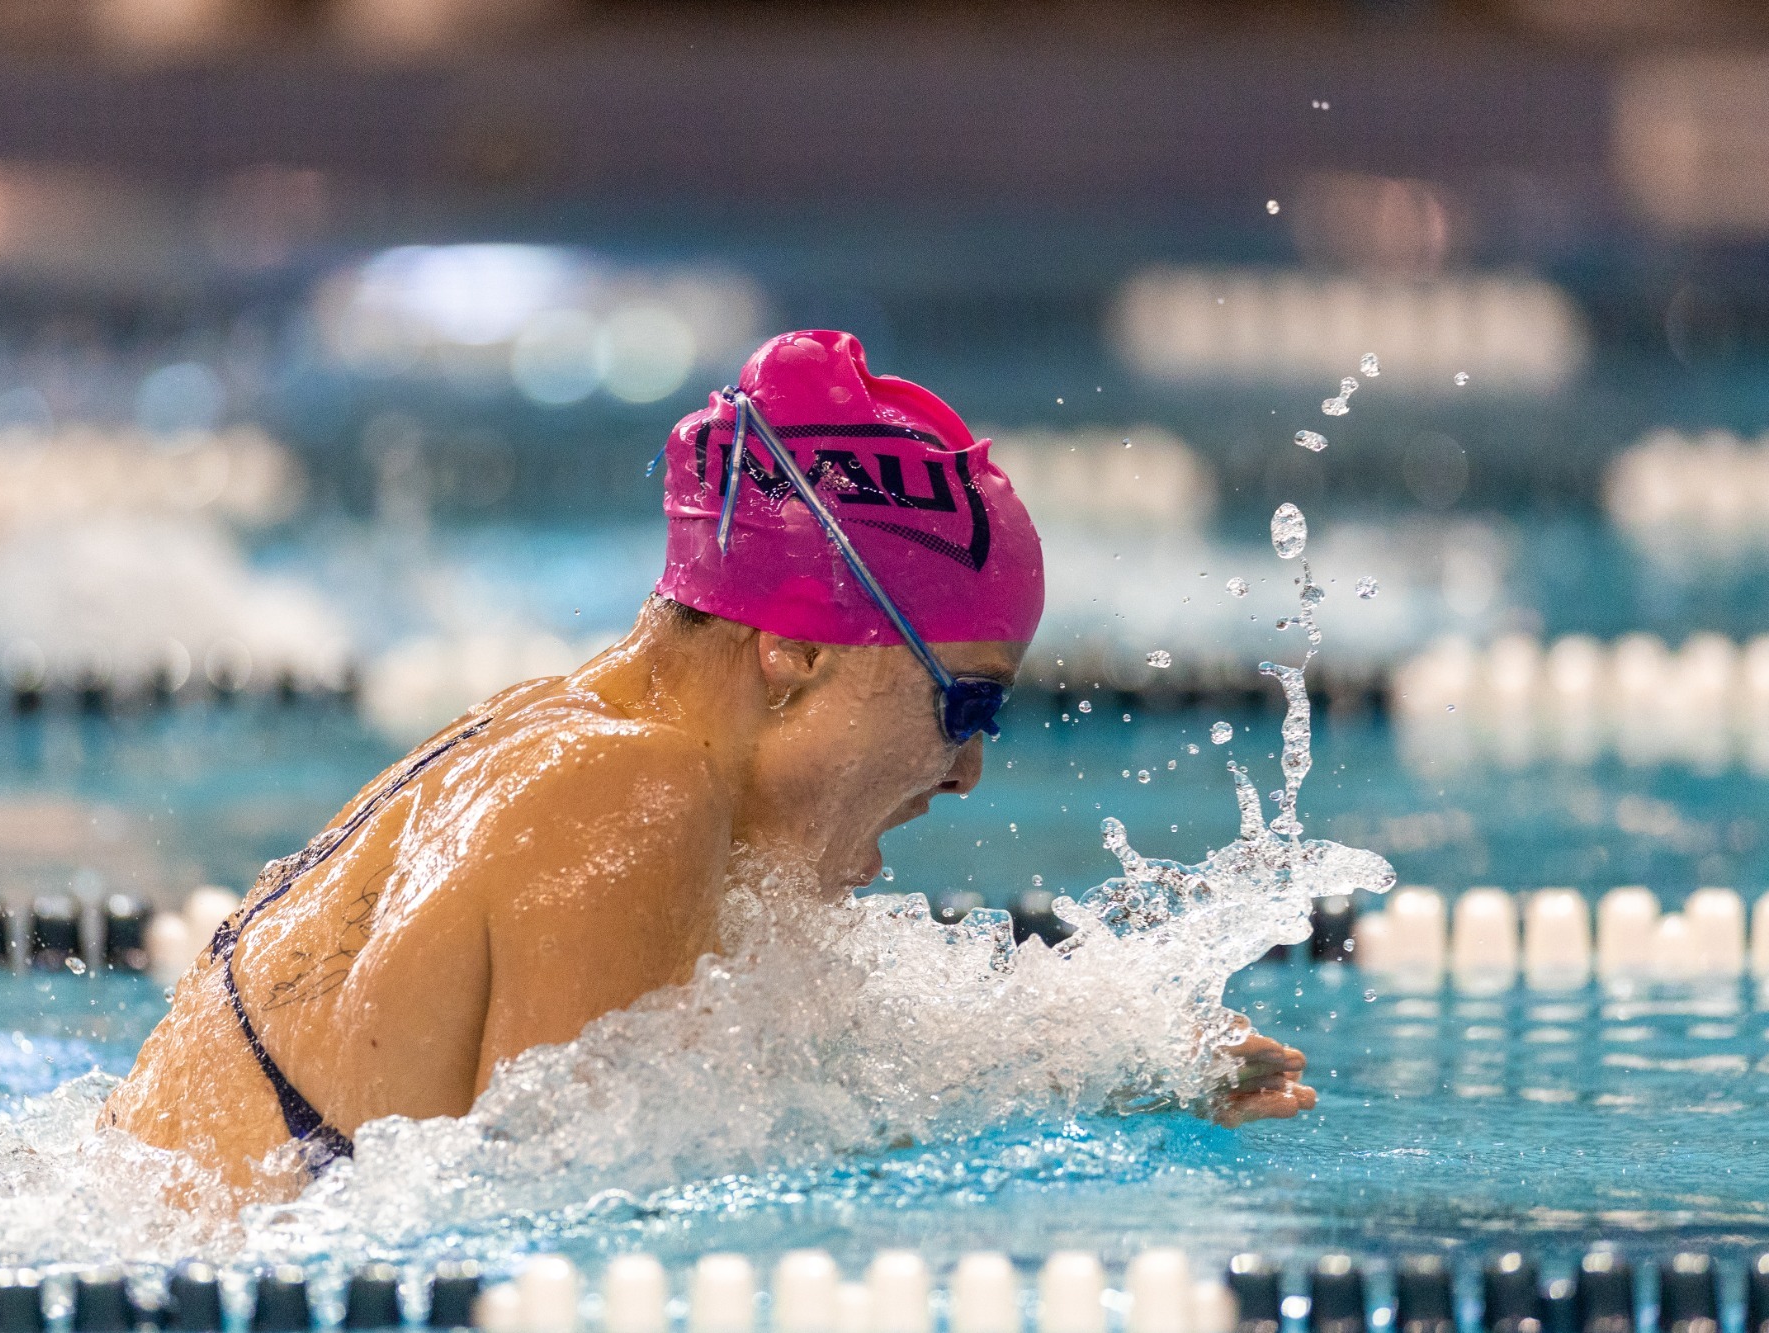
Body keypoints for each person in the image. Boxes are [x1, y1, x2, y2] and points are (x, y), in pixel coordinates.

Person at [101, 331, 1313, 1191]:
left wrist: (1090, 1068)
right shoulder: (629, 793)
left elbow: (704, 1109)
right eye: (966, 703)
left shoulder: (565, 739)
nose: (966, 775)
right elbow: (580, 1214)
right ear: (789, 651)